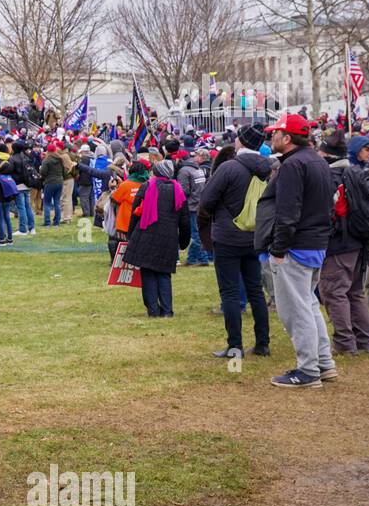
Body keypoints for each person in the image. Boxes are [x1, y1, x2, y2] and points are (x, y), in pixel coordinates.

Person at [256, 113, 335, 389]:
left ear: (287, 138)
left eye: (276, 133)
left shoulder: (294, 165)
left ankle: (308, 370)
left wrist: (278, 248)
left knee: (297, 310)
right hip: (314, 243)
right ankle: (323, 364)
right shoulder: (316, 160)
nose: (271, 137)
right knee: (309, 306)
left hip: (296, 247)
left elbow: (288, 212)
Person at [197, 124, 271, 358]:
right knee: (256, 291)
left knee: (229, 292)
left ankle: (235, 345)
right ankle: (262, 342)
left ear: (241, 141)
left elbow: (206, 200)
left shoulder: (229, 168)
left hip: (228, 237)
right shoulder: (268, 168)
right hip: (255, 235)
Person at [318, 129, 369, 357]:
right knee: (354, 291)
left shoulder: (331, 178)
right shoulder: (355, 173)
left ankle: (344, 342)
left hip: (339, 243)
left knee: (334, 291)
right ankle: (365, 339)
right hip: (359, 241)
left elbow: (327, 213)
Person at [124, 160, 190, 318]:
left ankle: (153, 310)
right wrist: (183, 241)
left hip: (146, 234)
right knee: (164, 274)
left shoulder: (147, 187)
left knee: (148, 273)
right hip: (168, 238)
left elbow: (135, 212)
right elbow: (185, 221)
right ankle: (167, 310)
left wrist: (131, 234)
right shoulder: (178, 190)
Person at [39, 143, 65, 226]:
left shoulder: (46, 160)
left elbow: (43, 172)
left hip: (50, 182)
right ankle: (56, 222)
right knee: (57, 202)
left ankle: (47, 222)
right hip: (59, 181)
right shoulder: (60, 159)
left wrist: (40, 170)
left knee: (47, 203)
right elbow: (64, 171)